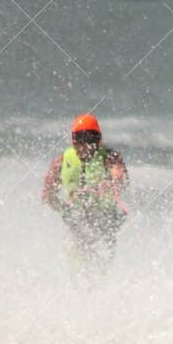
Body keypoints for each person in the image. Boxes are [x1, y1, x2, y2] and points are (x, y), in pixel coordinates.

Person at [41, 112, 130, 274]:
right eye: (80, 139)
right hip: (76, 223)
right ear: (73, 140)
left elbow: (121, 179)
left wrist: (106, 185)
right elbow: (47, 195)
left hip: (104, 222)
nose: (85, 144)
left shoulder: (110, 158)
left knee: (99, 269)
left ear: (99, 140)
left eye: (90, 139)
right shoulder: (62, 161)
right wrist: (64, 210)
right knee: (77, 270)